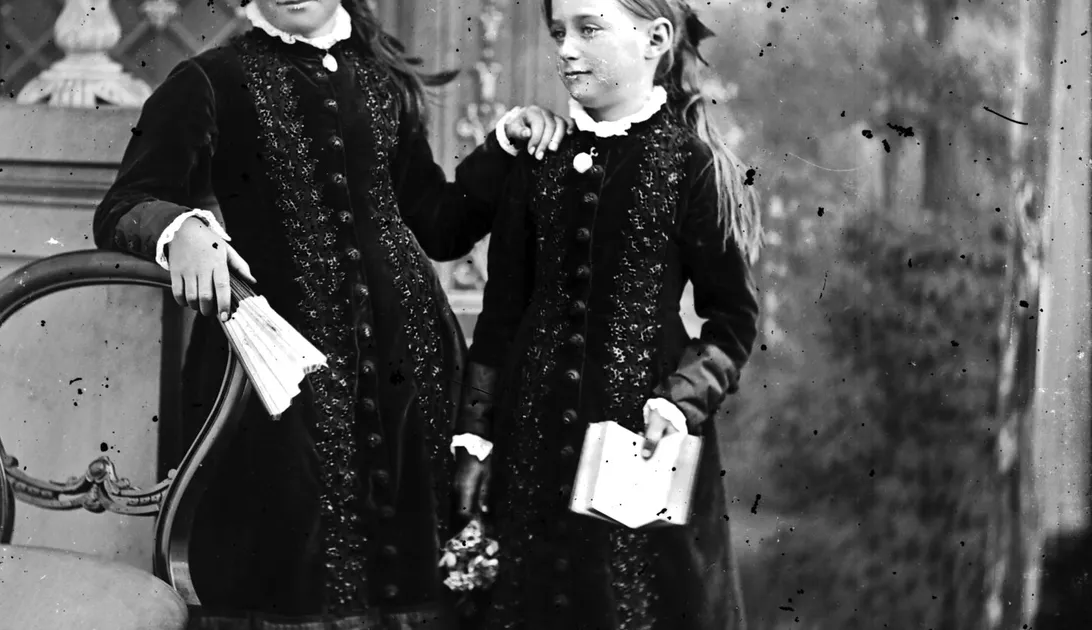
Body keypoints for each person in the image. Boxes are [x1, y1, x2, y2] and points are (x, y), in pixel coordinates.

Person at [93, 0, 570, 627]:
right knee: (299, 574)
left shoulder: (383, 81)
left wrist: (503, 147)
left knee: (411, 580)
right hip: (281, 381)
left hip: (411, 377)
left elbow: (440, 224)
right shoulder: (208, 79)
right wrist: (179, 228)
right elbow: (123, 204)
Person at [451, 0, 762, 628]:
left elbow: (732, 322)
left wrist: (679, 400)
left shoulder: (691, 166)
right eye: (558, 32)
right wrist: (476, 439)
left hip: (640, 449)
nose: (566, 49)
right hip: (529, 448)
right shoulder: (536, 161)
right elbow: (500, 317)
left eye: (588, 29)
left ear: (655, 39)